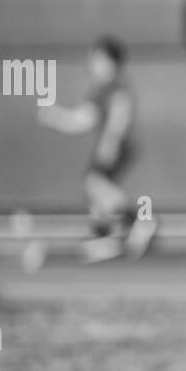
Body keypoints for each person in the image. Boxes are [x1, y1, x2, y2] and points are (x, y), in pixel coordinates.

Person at [38, 36, 155, 262]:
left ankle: (140, 221)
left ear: (111, 62)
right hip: (115, 145)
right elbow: (85, 120)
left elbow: (106, 117)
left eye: (97, 60)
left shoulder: (112, 88)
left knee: (95, 184)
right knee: (96, 195)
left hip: (114, 145)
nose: (93, 65)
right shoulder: (105, 89)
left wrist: (110, 141)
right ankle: (107, 236)